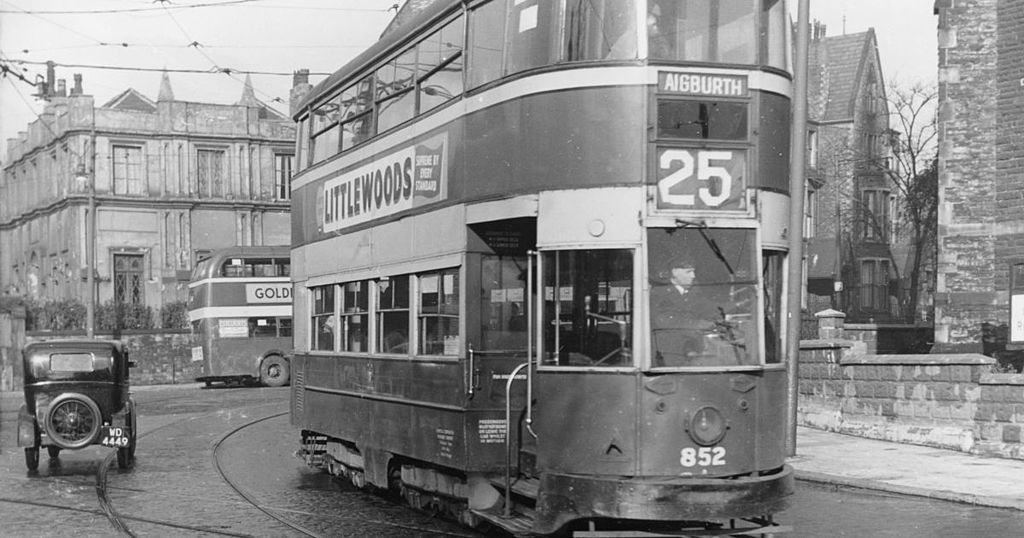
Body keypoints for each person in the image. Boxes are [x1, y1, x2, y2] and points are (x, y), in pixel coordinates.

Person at [650, 255, 723, 365]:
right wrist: (698, 324)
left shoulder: (693, 291)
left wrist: (735, 307)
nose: (693, 276)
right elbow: (666, 321)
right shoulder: (659, 294)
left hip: (691, 349)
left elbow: (707, 307)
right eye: (688, 272)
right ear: (675, 272)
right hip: (670, 354)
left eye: (693, 272)